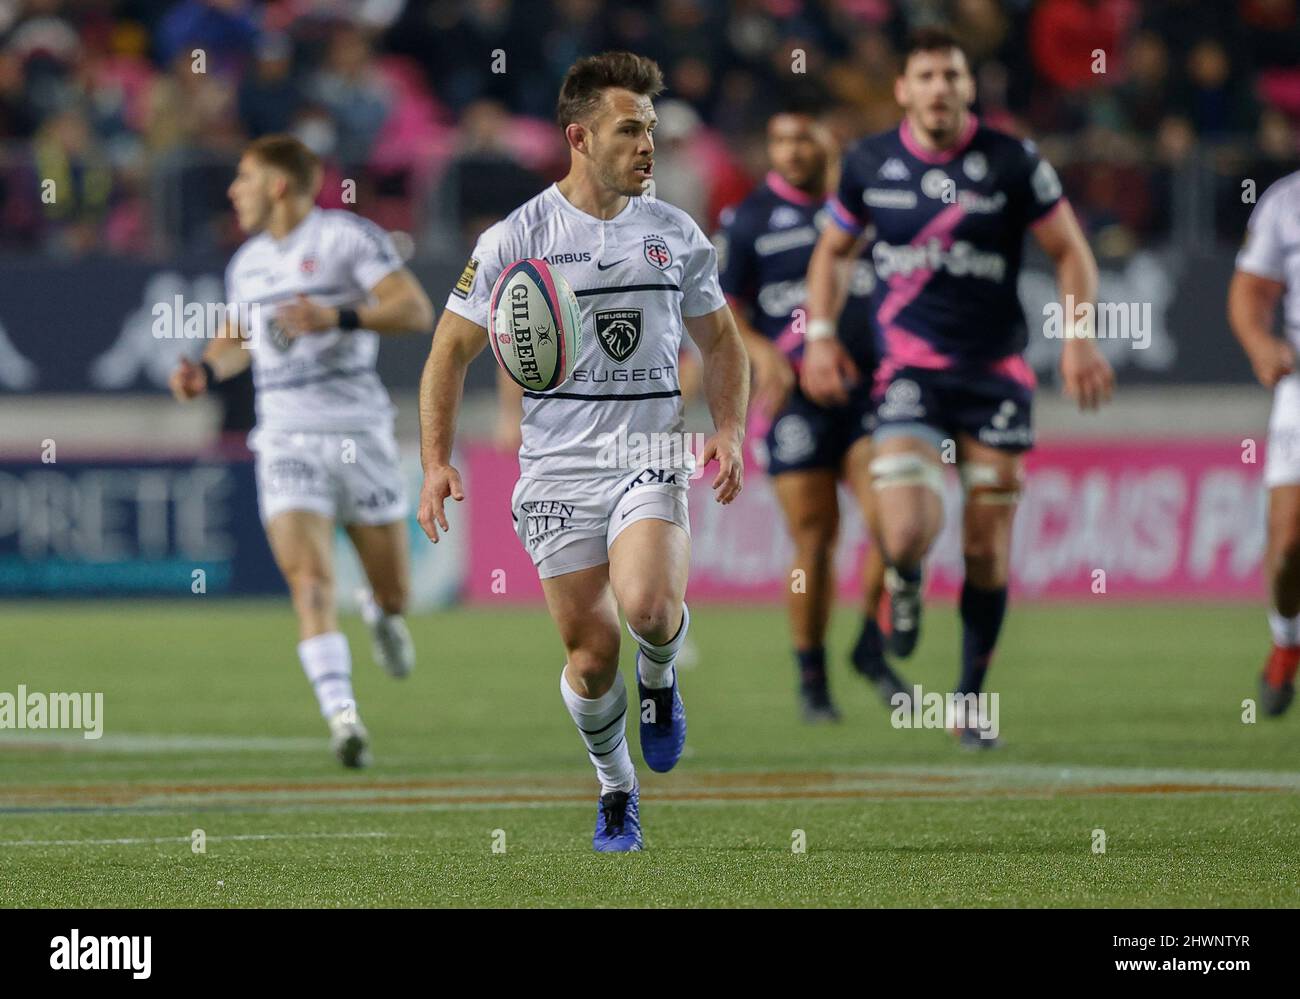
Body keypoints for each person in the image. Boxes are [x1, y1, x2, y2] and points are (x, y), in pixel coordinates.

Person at [417, 52, 748, 851]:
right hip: (558, 467)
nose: (648, 145)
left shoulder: (674, 232)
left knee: (647, 608)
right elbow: (447, 352)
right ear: (579, 136)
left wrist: (730, 428)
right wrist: (435, 461)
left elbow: (724, 342)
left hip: (651, 451)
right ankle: (615, 785)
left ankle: (662, 676)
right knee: (592, 655)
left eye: (651, 130)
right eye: (630, 129)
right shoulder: (513, 240)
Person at [802, 27, 1114, 746]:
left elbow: (1071, 251)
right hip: (908, 371)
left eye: (952, 75)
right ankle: (903, 583)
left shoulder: (1012, 161)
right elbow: (832, 252)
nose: (940, 87)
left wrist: (1078, 337)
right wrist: (819, 336)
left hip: (995, 374)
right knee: (905, 528)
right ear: (903, 89)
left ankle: (969, 699)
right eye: (927, 76)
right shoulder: (869, 163)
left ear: (969, 87)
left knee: (984, 545)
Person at [170, 135, 435, 767]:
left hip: (357, 433)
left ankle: (380, 613)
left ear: (279, 185)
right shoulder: (249, 264)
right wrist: (205, 373)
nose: (234, 190)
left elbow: (414, 308)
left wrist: (338, 318)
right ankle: (343, 718)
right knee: (309, 582)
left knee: (395, 593)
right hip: (285, 435)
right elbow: (239, 337)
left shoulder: (346, 239)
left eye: (244, 177)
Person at [717, 108, 903, 723]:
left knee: (895, 522)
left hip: (872, 391)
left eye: (804, 136)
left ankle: (869, 646)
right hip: (797, 399)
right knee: (815, 541)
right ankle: (813, 678)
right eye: (779, 138)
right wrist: (766, 353)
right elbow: (724, 314)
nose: (791, 150)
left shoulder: (869, 208)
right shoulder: (749, 220)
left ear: (832, 136)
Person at [1229, 168, 1300, 716]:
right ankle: (1286, 641)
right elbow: (1251, 289)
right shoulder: (1286, 200)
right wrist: (1259, 344)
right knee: (1289, 543)